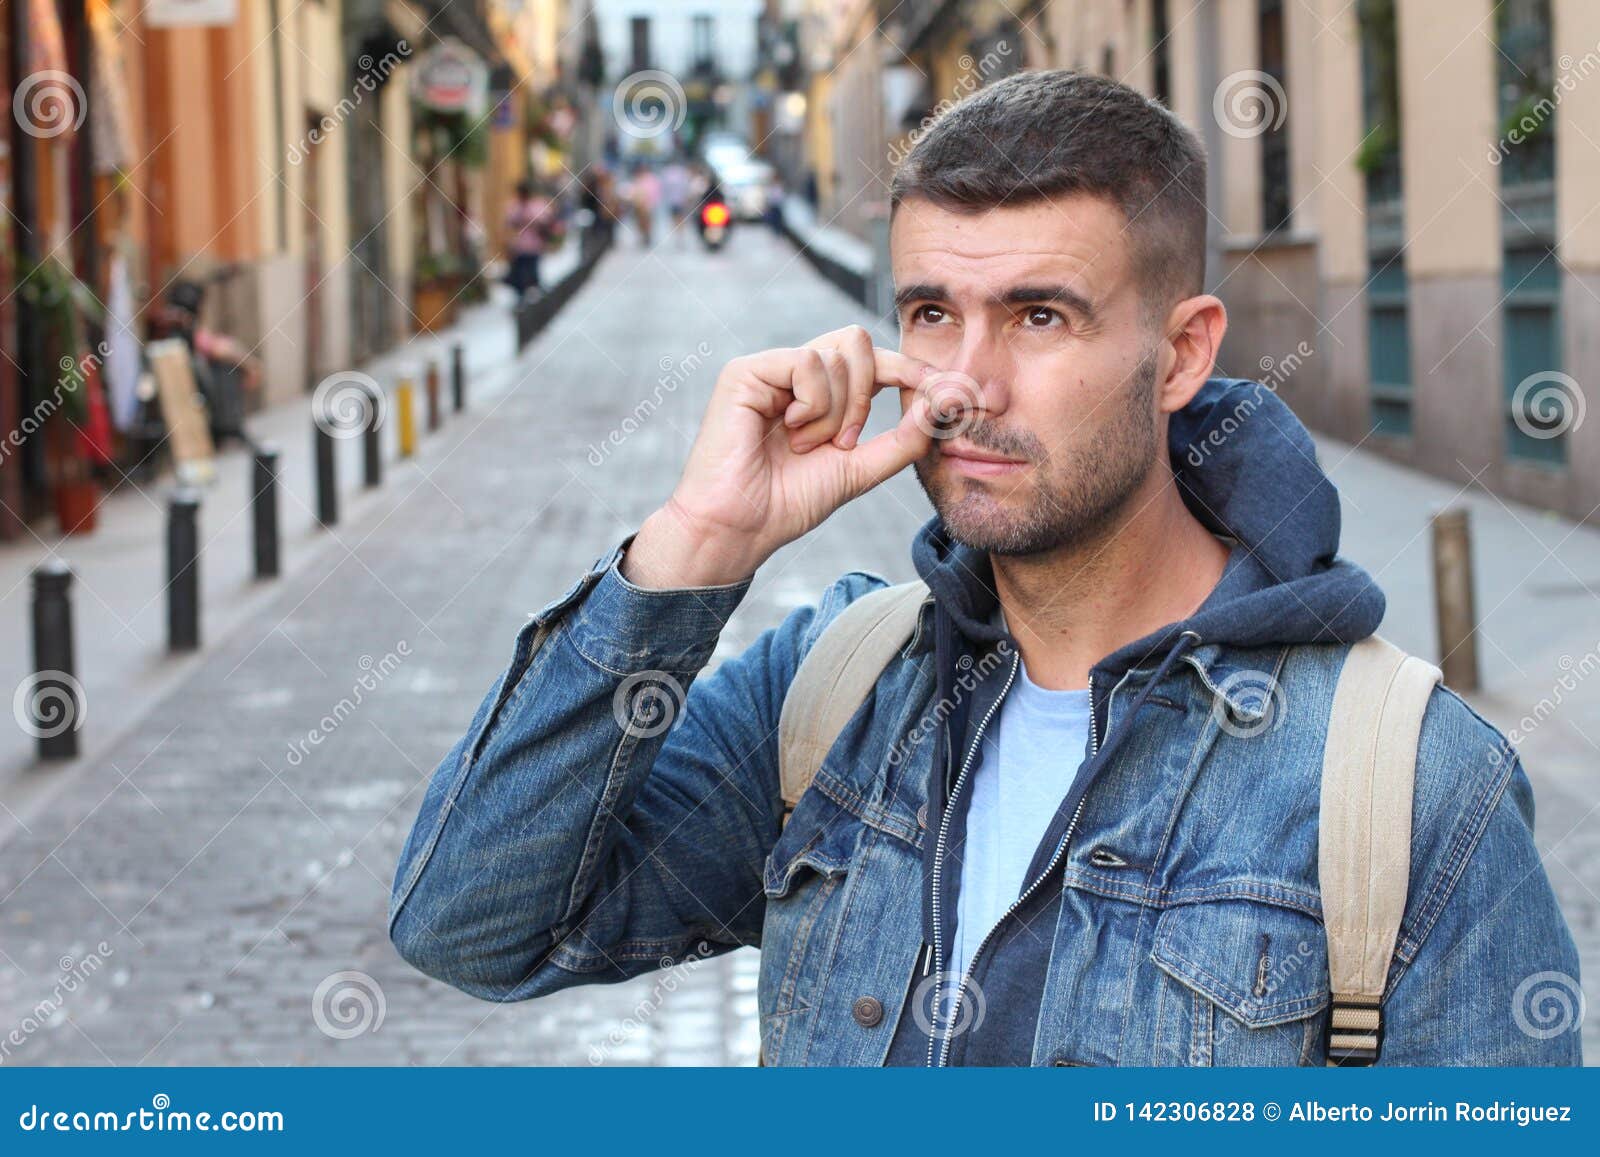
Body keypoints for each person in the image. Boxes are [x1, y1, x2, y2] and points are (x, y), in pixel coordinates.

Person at [390, 71, 1580, 1067]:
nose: (967, 385)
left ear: (1180, 354)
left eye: (1039, 317)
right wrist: (693, 548)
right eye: (928, 312)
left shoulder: (1406, 789)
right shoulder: (832, 695)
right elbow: (470, 924)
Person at [504, 179, 555, 300]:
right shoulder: (514, 206)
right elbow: (509, 223)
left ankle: (533, 300)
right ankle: (523, 299)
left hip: (533, 246)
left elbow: (546, 221)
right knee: (520, 275)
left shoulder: (537, 205)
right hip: (520, 247)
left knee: (532, 273)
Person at [629, 161, 660, 248]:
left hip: (648, 205)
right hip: (638, 205)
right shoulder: (637, 179)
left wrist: (651, 202)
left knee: (648, 221)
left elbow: (655, 192)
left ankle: (647, 236)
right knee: (639, 222)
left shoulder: (651, 179)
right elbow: (633, 191)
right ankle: (643, 235)